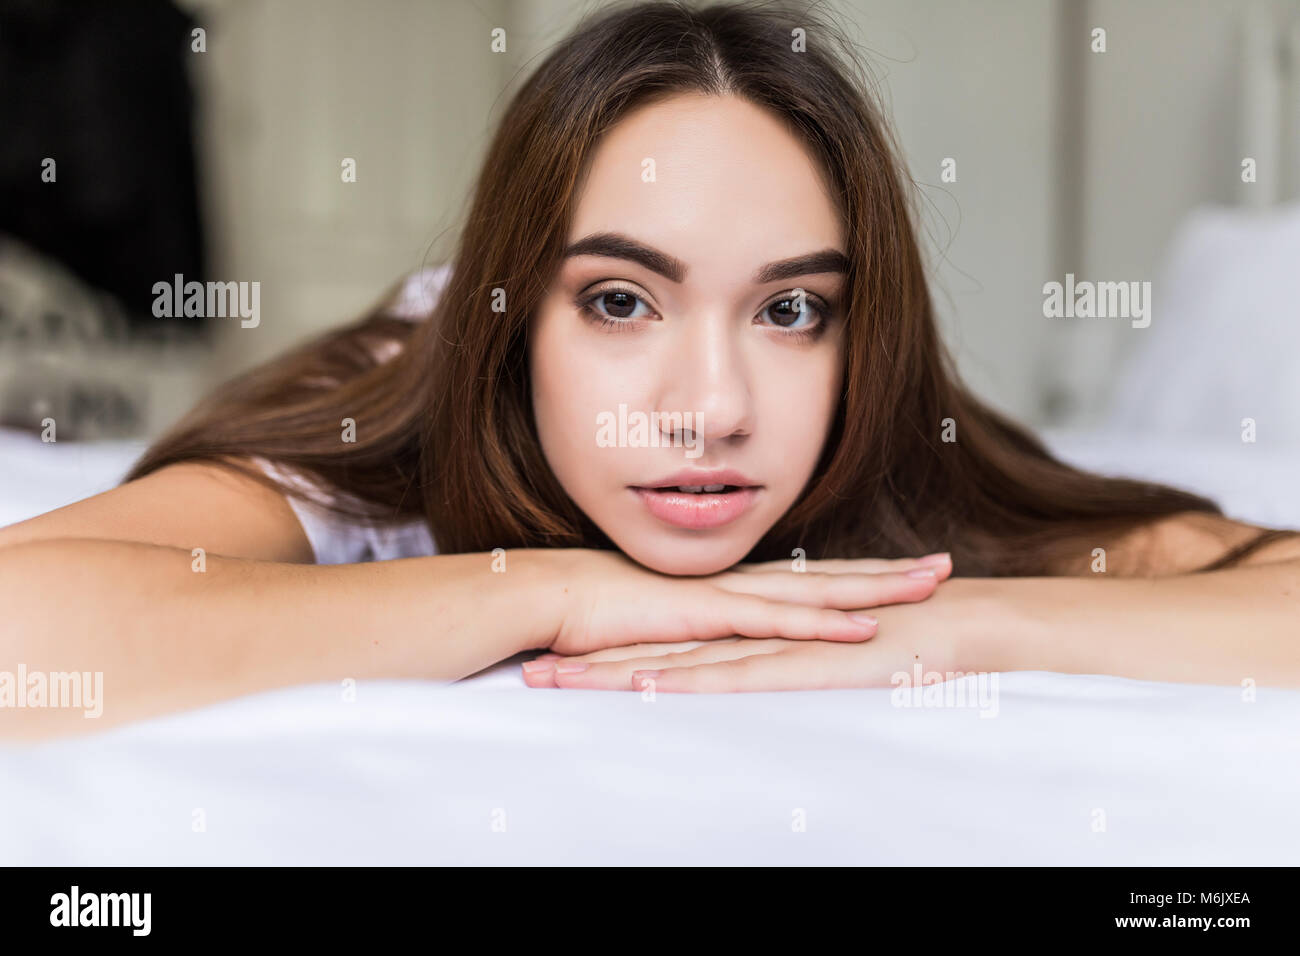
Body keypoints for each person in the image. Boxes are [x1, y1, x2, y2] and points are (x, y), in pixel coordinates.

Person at [3, 1, 1297, 738]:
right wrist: (551, 591)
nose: (713, 411)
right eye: (621, 300)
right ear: (512, 329)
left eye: (791, 309)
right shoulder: (386, 442)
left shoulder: (883, 443)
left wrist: (962, 620)